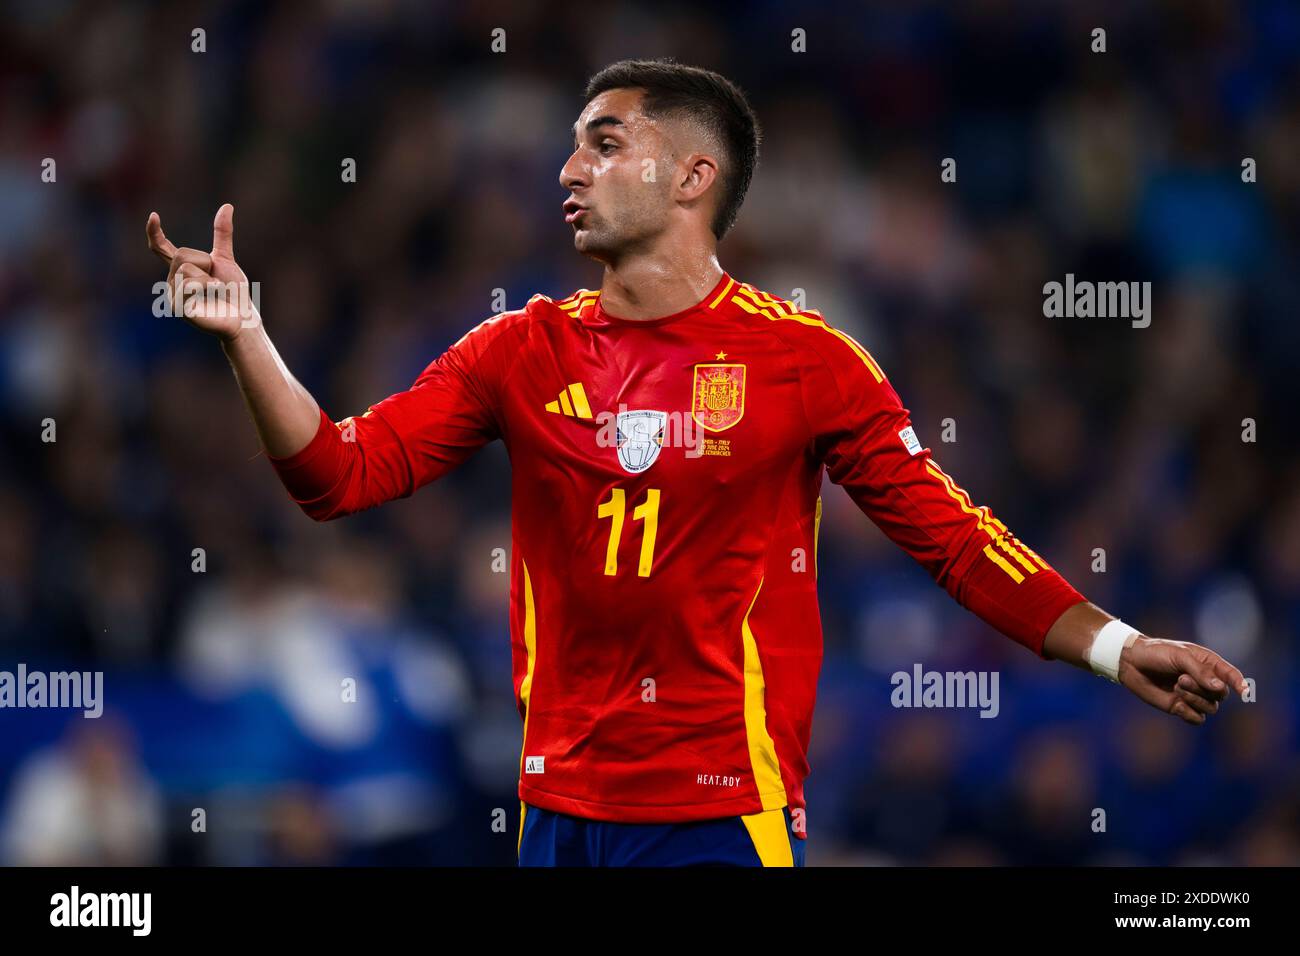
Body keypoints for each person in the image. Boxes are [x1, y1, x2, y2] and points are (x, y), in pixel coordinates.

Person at [146, 58, 1248, 867]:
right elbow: (337, 476)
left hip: (719, 808)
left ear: (691, 175)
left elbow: (955, 538)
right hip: (555, 810)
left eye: (604, 142)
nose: (569, 167)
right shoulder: (518, 347)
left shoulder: (806, 361)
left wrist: (1115, 645)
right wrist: (250, 335)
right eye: (574, 142)